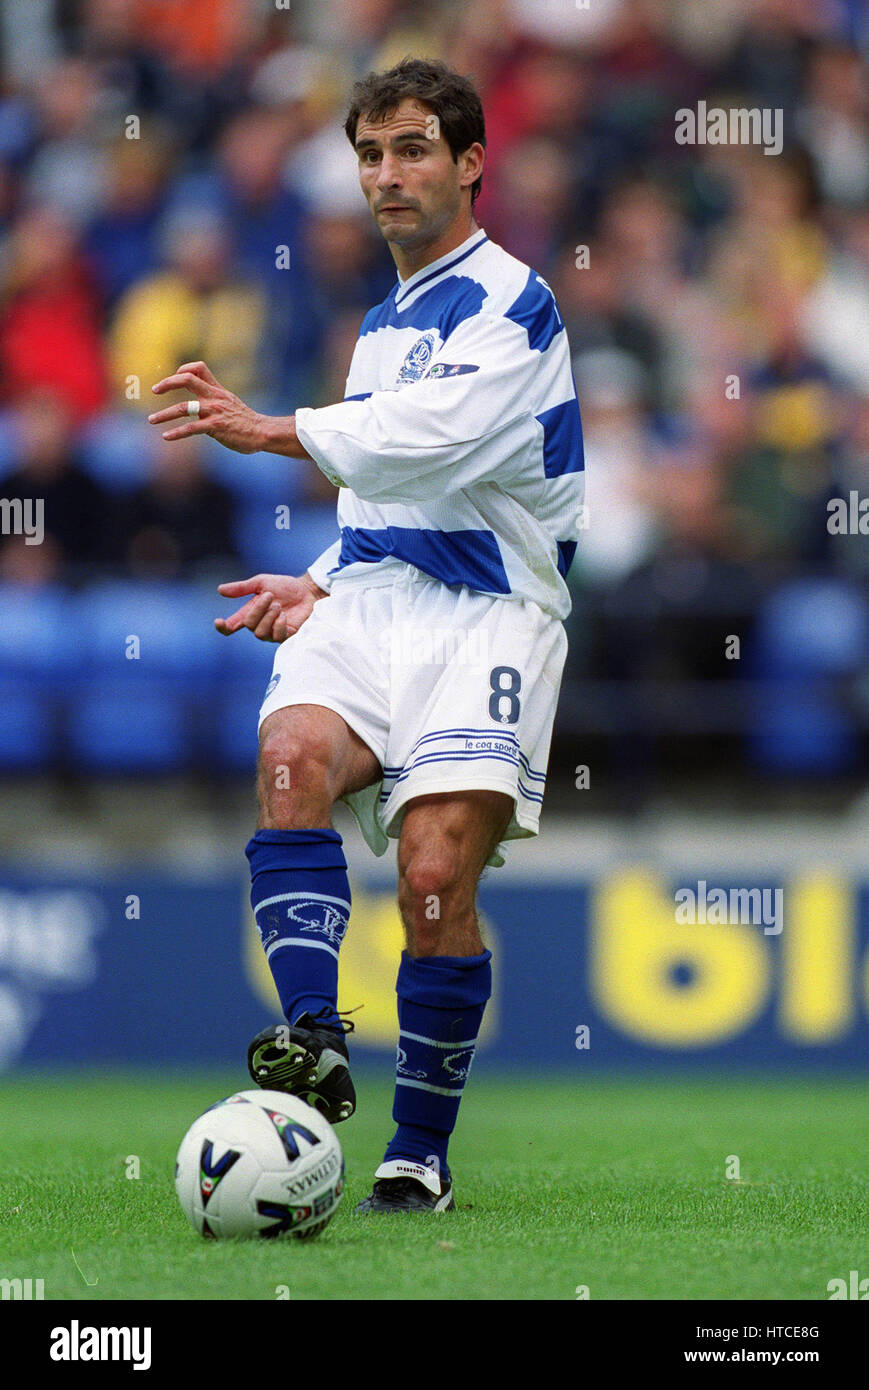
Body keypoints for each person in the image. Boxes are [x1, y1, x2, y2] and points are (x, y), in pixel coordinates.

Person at [148, 57, 584, 1214]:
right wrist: (322, 575)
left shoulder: (513, 301)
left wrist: (272, 426)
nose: (386, 175)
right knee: (288, 755)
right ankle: (313, 1041)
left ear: (470, 164)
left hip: (490, 615)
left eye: (412, 150)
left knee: (436, 875)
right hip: (372, 597)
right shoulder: (384, 323)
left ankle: (417, 1151)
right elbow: (394, 491)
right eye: (370, 155)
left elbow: (434, 441)